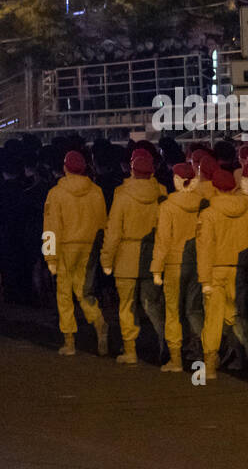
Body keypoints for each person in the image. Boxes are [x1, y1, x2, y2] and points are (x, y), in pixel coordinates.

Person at [44, 150, 109, 356]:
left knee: (64, 294)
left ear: (65, 168)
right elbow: (102, 223)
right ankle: (98, 321)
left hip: (66, 247)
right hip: (89, 247)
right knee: (84, 289)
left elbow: (51, 227)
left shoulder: (56, 193)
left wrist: (50, 257)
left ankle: (69, 341)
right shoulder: (96, 191)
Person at [101, 149, 162, 365]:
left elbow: (113, 231)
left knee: (126, 305)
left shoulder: (122, 195)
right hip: (152, 254)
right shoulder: (161, 193)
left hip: (126, 256)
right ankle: (166, 345)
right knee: (152, 304)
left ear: (132, 170)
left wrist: (106, 260)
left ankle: (130, 349)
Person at [196, 168, 248, 377]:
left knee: (213, 318)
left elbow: (205, 248)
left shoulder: (209, 214)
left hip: (216, 271)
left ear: (214, 187)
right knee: (237, 317)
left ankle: (209, 363)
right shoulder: (247, 212)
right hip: (239, 271)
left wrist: (204, 280)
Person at [150, 161, 203, 372]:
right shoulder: (204, 203)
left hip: (174, 263)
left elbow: (162, 240)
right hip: (198, 261)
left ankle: (175, 358)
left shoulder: (167, 207)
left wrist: (156, 268)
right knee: (194, 310)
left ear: (178, 181)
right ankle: (202, 351)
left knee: (173, 311)